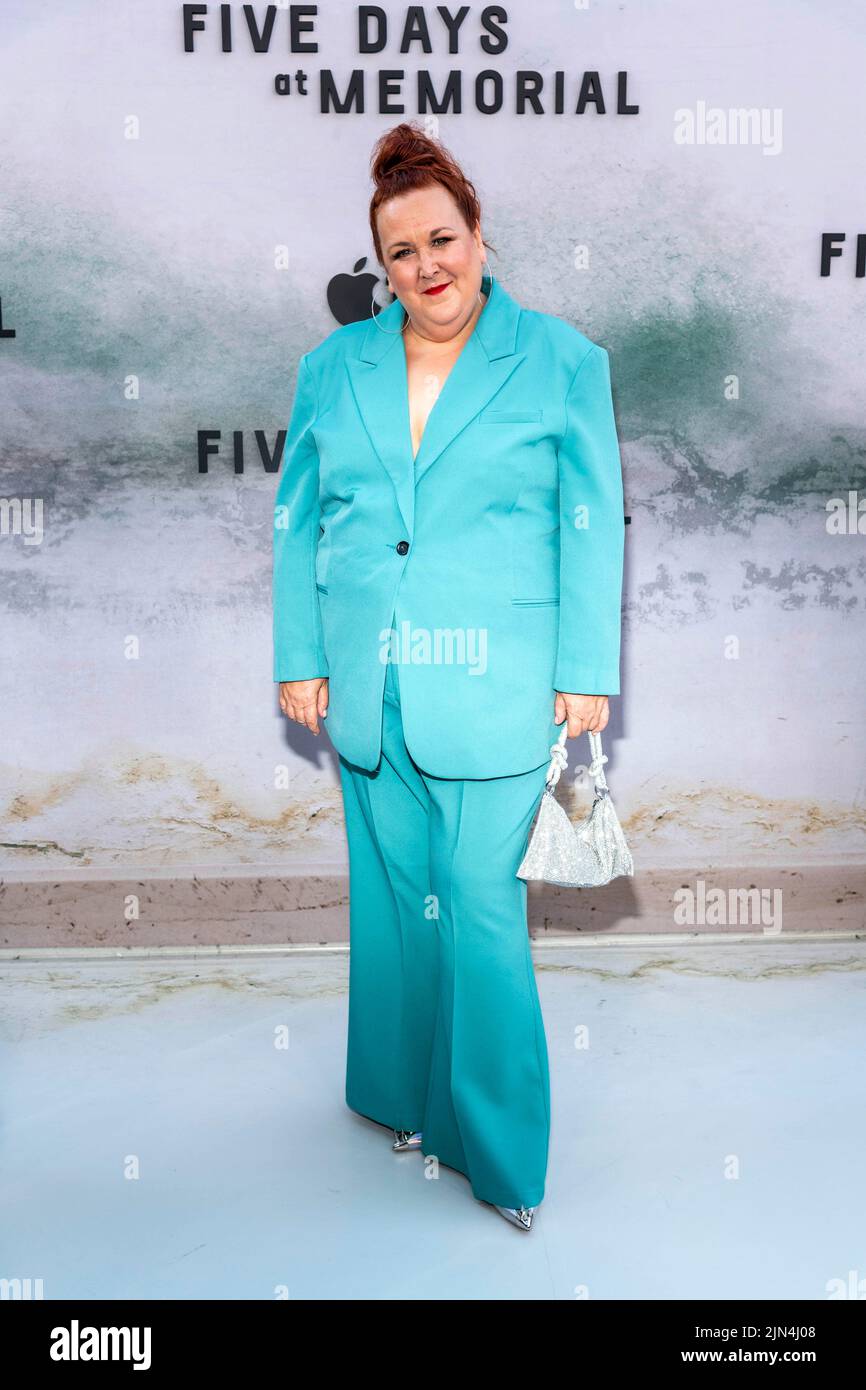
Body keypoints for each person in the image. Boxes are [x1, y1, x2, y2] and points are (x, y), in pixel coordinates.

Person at [272, 121, 625, 1231]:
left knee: (476, 911)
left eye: (442, 239)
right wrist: (298, 657)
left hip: (498, 683)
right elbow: (295, 524)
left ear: (478, 234)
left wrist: (582, 671)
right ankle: (395, 1097)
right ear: (379, 266)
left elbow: (593, 524)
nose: (427, 267)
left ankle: (501, 1154)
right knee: (391, 905)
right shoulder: (332, 367)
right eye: (401, 252)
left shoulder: (564, 360)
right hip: (366, 683)